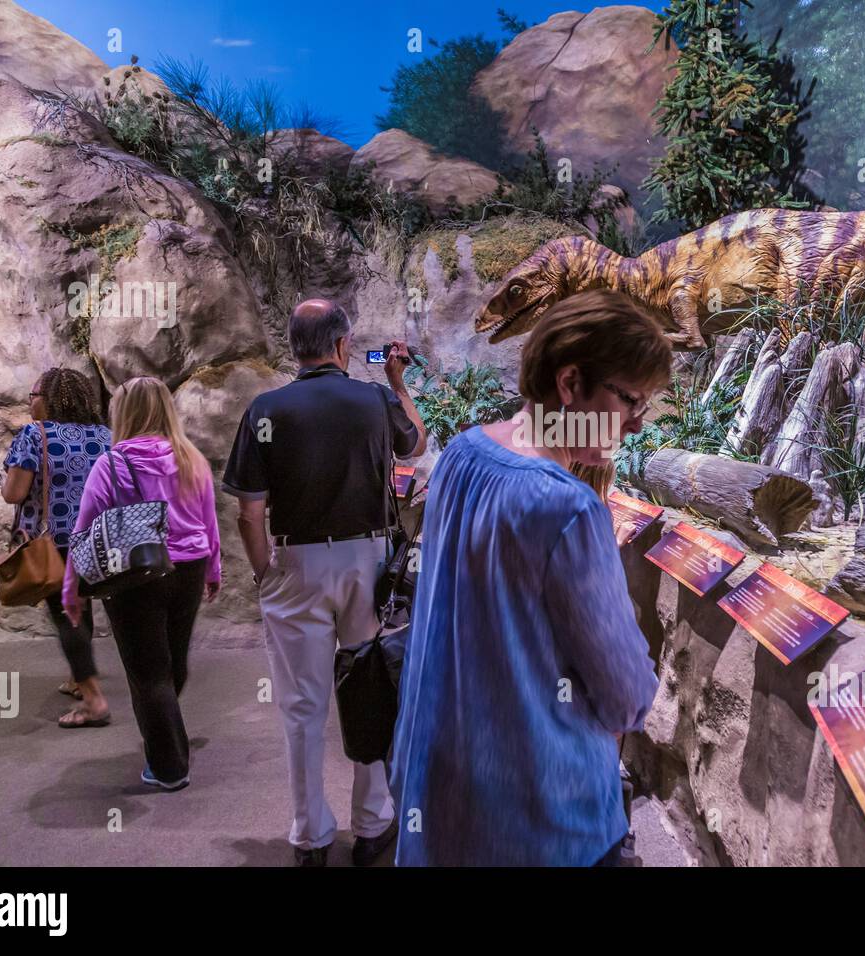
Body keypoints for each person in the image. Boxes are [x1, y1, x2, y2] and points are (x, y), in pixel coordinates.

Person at [391, 288, 669, 866]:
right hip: (545, 820)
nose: (638, 425)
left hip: (443, 796)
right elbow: (625, 696)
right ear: (570, 385)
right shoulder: (566, 507)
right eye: (631, 401)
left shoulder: (462, 456)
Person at [222, 299, 427, 867]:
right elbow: (417, 445)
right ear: (341, 346)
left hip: (295, 565)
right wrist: (396, 379)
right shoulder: (374, 400)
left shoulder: (266, 409)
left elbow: (249, 512)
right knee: (367, 688)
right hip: (368, 562)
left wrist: (266, 572)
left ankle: (310, 836)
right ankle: (372, 822)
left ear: (296, 348)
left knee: (301, 703)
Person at [61, 377, 221, 791]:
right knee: (173, 663)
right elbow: (209, 520)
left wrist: (71, 589)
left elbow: (83, 533)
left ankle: (169, 767)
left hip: (133, 573)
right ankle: (165, 731)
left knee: (149, 673)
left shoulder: (110, 464)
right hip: (187, 568)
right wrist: (214, 569)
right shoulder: (192, 459)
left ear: (124, 413)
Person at [1, 368, 113, 728]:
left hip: (58, 540)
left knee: (67, 614)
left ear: (49, 400)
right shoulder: (104, 434)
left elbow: (14, 493)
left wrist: (4, 484)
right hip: (100, 538)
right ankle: (80, 680)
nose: (30, 402)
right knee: (83, 603)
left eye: (34, 395)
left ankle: (95, 701)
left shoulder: (35, 435)